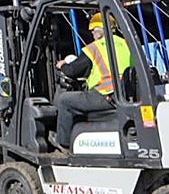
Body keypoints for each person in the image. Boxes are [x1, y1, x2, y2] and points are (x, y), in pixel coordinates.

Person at [54, 12, 132, 150]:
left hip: (105, 96)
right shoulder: (127, 44)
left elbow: (71, 71)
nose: (92, 35)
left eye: (93, 31)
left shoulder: (95, 48)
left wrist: (63, 65)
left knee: (65, 101)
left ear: (98, 32)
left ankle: (63, 144)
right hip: (126, 96)